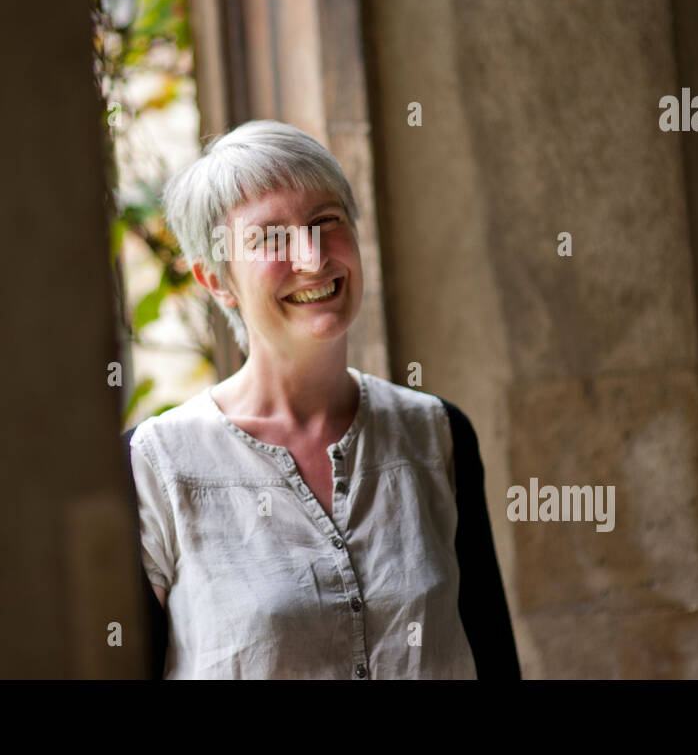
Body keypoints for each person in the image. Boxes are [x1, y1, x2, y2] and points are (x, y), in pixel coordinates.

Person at [121, 119, 520, 679]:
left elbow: (494, 660)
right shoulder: (153, 465)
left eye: (326, 220)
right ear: (216, 280)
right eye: (270, 237)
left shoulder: (437, 433)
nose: (311, 257)